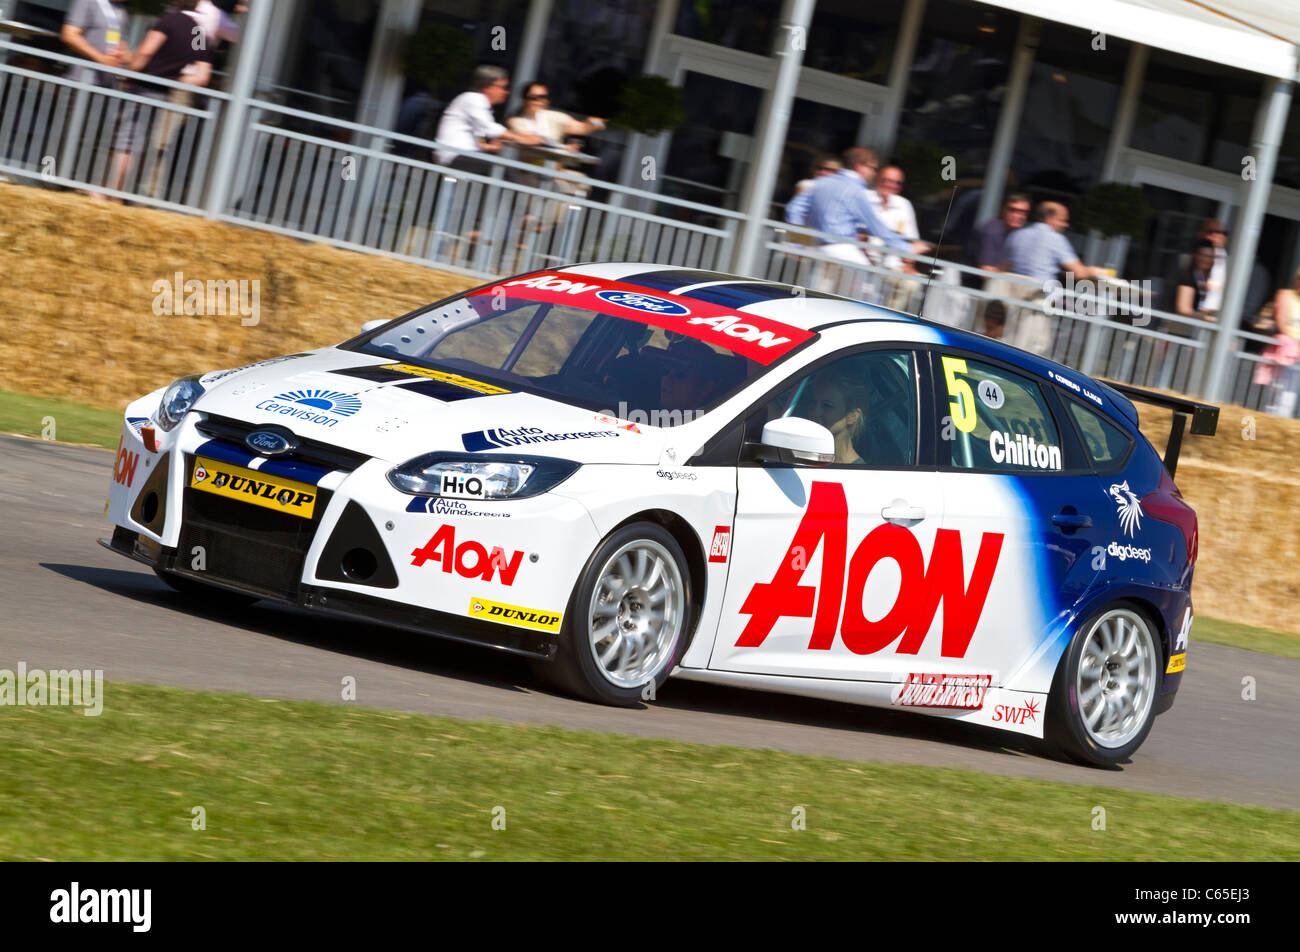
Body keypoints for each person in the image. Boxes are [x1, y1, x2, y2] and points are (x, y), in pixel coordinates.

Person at [784, 147, 930, 297]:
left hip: (818, 248)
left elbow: (793, 209)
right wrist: (906, 247)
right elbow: (875, 226)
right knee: (866, 297)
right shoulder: (856, 190)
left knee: (818, 297)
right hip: (844, 251)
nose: (874, 173)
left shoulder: (821, 182)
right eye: (873, 168)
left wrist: (798, 241)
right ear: (861, 166)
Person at [106, 0, 216, 199]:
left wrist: (129, 72)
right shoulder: (197, 32)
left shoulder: (170, 20)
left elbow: (146, 51)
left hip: (142, 89)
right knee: (138, 145)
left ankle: (110, 194)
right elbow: (202, 76)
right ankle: (116, 194)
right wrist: (174, 79)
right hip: (163, 95)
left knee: (126, 143)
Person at [998, 200, 1105, 355]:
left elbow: (1003, 269)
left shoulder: (1017, 235)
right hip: (1037, 301)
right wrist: (1096, 271)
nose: (1066, 225)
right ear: (1049, 218)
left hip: (1010, 301)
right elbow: (1079, 273)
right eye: (1063, 220)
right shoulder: (1055, 239)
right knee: (1085, 312)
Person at [434, 66, 544, 174]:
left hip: (458, 156)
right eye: (503, 87)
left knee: (500, 168)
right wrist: (523, 138)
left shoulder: (476, 102)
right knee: (503, 171)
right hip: (454, 157)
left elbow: (470, 137)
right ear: (487, 87)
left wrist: (489, 147)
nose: (506, 92)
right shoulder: (474, 98)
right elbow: (490, 129)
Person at [1256, 267, 1300, 417]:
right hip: (1286, 350)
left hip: (1297, 353)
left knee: (1290, 395)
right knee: (1278, 391)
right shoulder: (1285, 295)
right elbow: (1282, 322)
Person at [61, 0, 131, 87]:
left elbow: (121, 45)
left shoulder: (121, 9)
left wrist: (124, 59)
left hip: (106, 86)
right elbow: (69, 35)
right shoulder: (86, 2)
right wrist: (100, 58)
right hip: (79, 82)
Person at [971, 192, 1030, 272]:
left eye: (1024, 213)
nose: (1020, 216)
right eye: (1013, 210)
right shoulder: (993, 230)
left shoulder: (1018, 234)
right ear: (1003, 210)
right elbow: (986, 271)